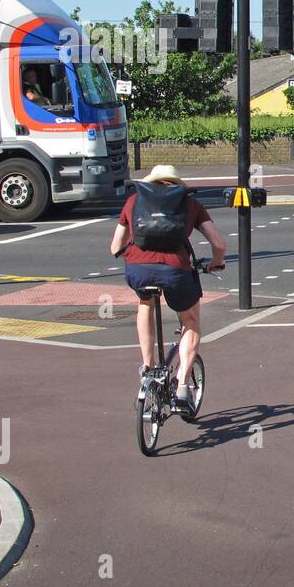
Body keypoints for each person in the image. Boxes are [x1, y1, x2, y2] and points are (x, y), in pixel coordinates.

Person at [110, 165, 226, 409]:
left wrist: (134, 258)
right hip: (176, 270)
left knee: (145, 304)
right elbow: (219, 244)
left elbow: (114, 247)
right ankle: (182, 383)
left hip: (138, 270)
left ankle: (148, 368)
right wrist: (216, 263)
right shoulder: (190, 204)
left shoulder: (134, 201)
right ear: (176, 183)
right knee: (190, 320)